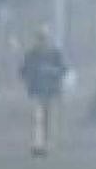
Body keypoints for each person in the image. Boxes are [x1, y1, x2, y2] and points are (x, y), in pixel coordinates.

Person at [18, 27, 68, 157]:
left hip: (51, 92)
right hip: (37, 92)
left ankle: (48, 144)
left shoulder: (55, 54)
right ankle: (38, 144)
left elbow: (63, 69)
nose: (41, 41)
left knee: (49, 119)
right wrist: (30, 78)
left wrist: (51, 71)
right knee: (38, 119)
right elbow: (23, 71)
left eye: (43, 38)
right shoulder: (31, 55)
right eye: (39, 39)